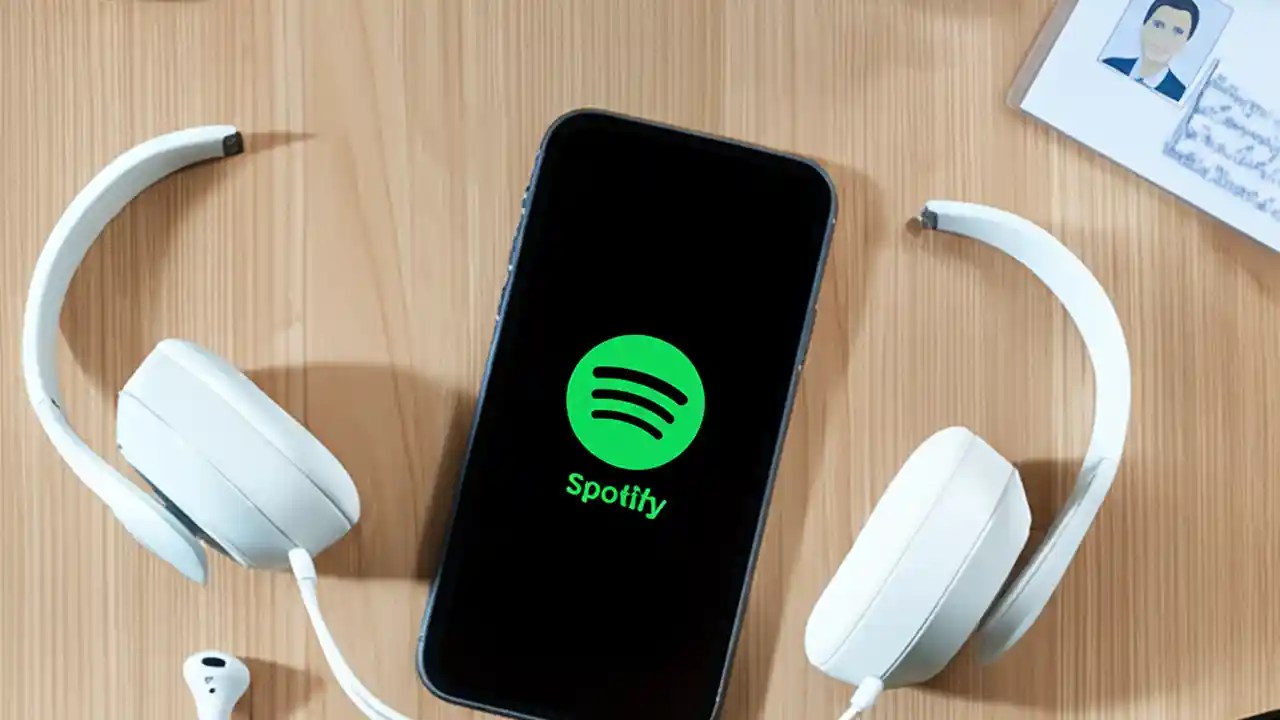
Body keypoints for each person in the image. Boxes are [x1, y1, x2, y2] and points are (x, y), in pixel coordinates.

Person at [1103, 0, 1201, 101]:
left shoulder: (1181, 96)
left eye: (1177, 31)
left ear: (1186, 41)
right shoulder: (1110, 64)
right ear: (1144, 26)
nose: (1164, 38)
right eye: (1158, 25)